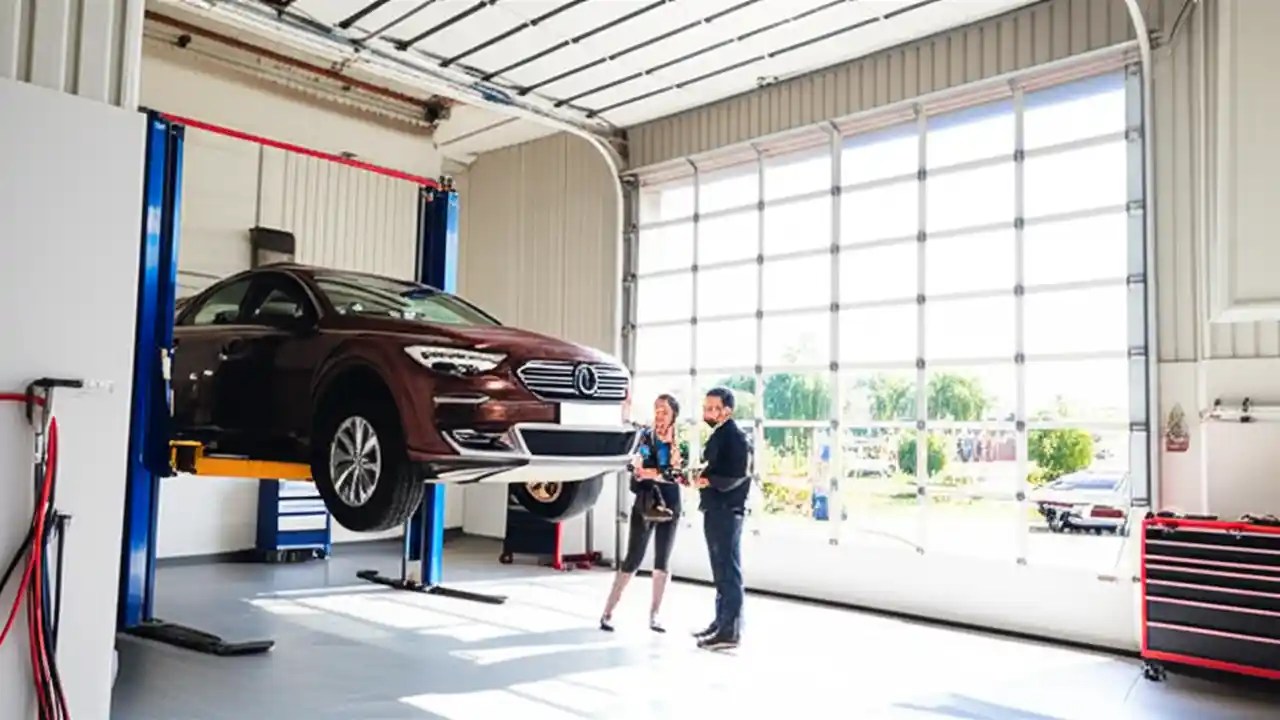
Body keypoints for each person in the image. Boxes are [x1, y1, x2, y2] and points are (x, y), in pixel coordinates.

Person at [599, 394, 686, 633]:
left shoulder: (679, 440)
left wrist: (651, 472)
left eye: (664, 411)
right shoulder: (648, 436)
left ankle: (655, 615)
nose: (659, 415)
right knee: (633, 557)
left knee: (662, 560)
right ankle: (608, 612)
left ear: (674, 415)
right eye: (657, 410)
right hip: (646, 501)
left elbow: (676, 472)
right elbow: (638, 464)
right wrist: (646, 470)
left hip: (670, 503)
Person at [692, 387, 752, 651]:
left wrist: (708, 480)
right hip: (716, 508)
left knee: (728, 570)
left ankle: (730, 630)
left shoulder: (735, 438)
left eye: (713, 408)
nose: (708, 412)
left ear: (727, 410)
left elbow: (737, 474)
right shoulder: (720, 435)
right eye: (706, 408)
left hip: (727, 510)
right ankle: (721, 622)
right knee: (720, 569)